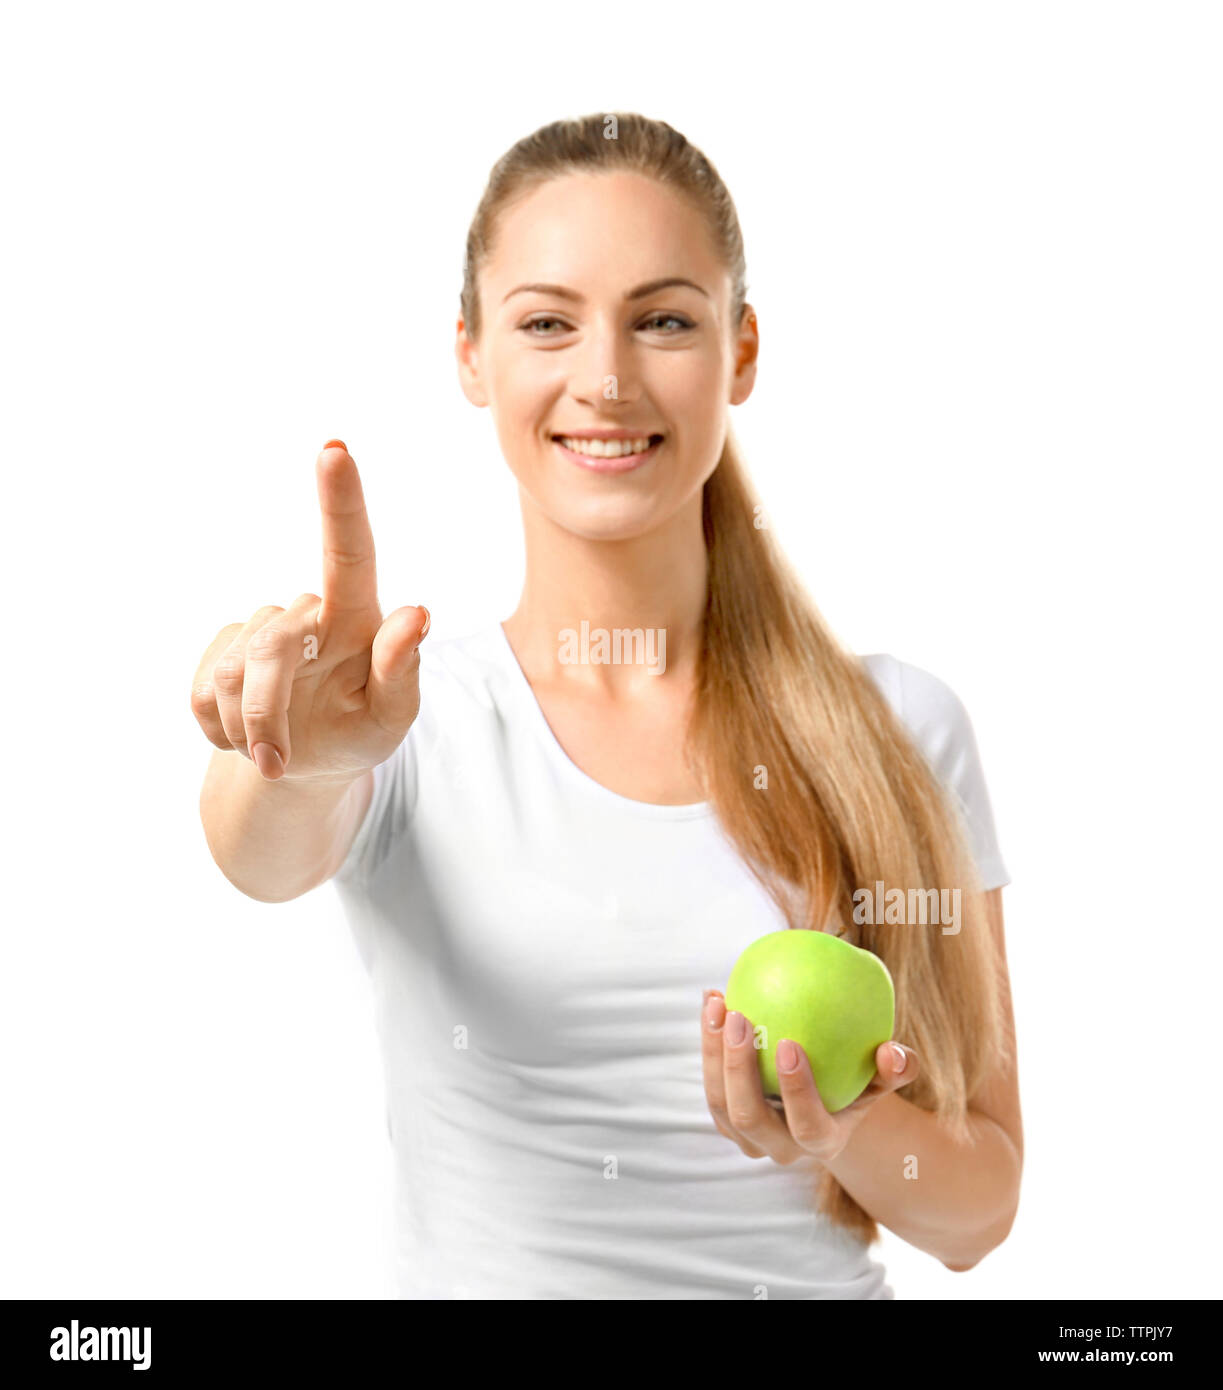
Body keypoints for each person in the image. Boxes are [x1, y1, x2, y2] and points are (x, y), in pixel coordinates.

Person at [193, 112, 1022, 1300]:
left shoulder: (898, 725)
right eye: (545, 322)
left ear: (739, 351)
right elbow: (255, 857)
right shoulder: (402, 715)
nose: (606, 379)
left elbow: (977, 1212)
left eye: (664, 319)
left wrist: (847, 1136)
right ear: (471, 357)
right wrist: (292, 755)